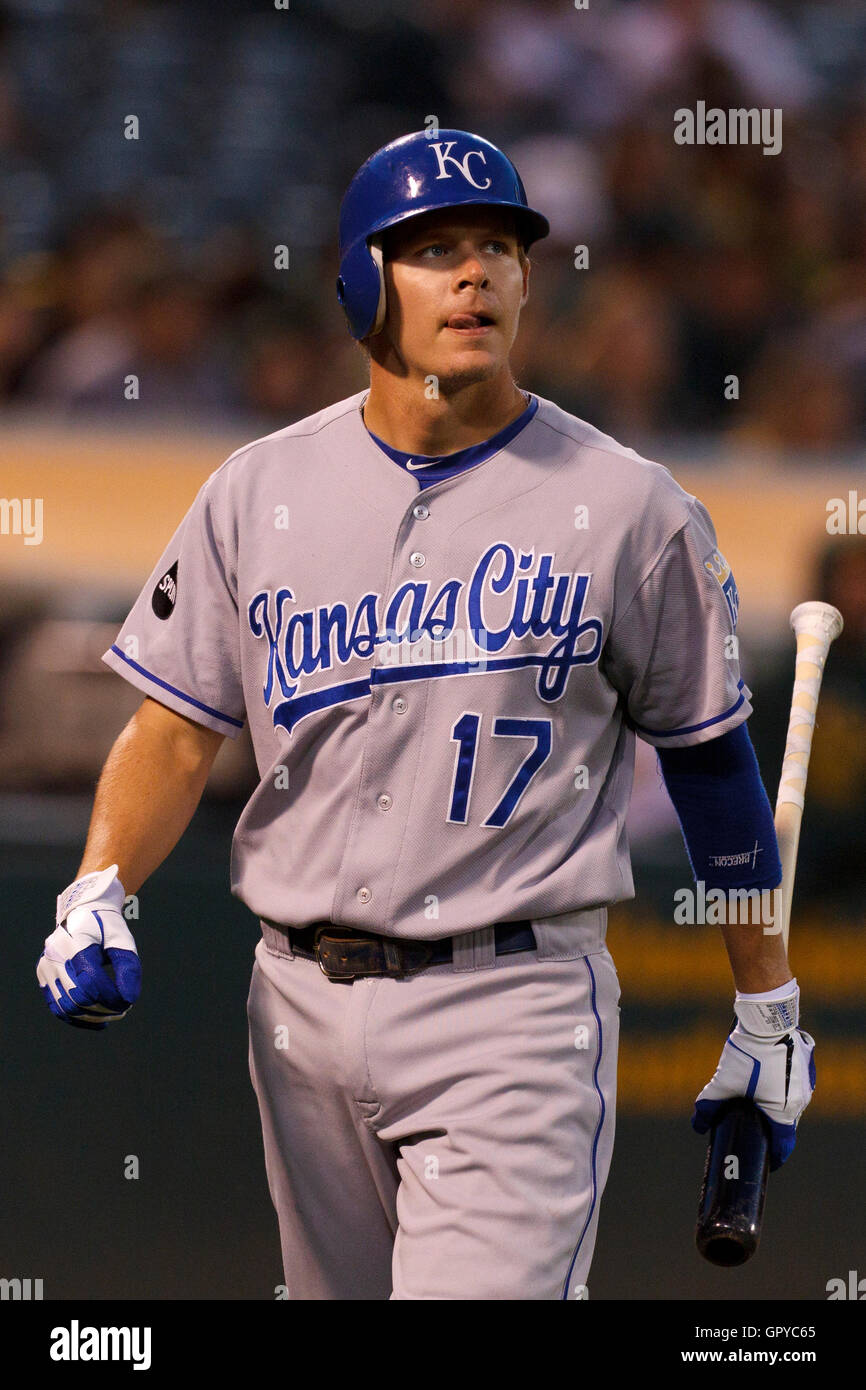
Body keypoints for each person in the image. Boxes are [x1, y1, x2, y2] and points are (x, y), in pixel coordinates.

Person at [37, 130, 815, 1301]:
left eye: (499, 247)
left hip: (511, 1005)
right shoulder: (259, 491)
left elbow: (709, 769)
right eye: (436, 248)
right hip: (295, 1001)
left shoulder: (627, 508)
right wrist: (101, 886)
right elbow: (173, 728)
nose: (475, 274)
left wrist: (765, 1002)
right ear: (361, 279)